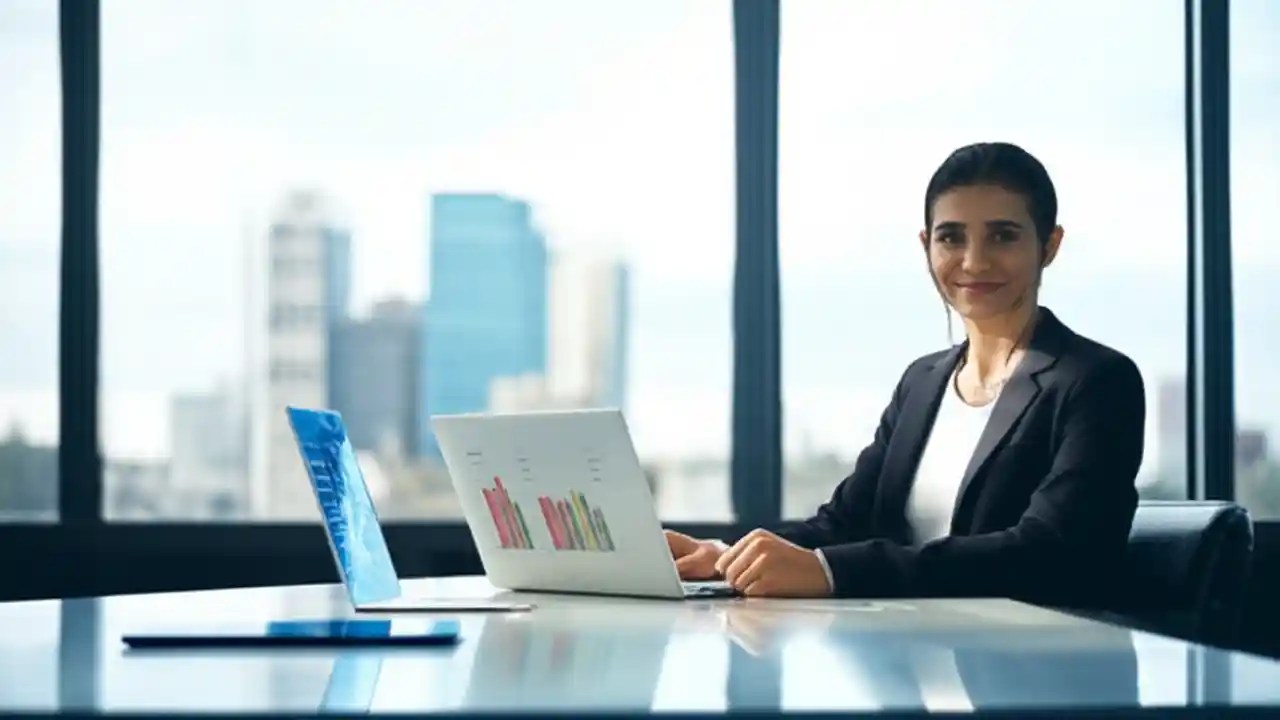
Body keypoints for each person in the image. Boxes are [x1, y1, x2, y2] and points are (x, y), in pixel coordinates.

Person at [666, 142, 1145, 606]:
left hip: (1036, 670)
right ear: (926, 245)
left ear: (1050, 245)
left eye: (1003, 236)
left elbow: (1051, 552)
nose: (974, 261)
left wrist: (832, 572)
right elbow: (846, 525)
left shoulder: (1097, 382)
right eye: (951, 237)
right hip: (911, 663)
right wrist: (732, 559)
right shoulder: (923, 383)